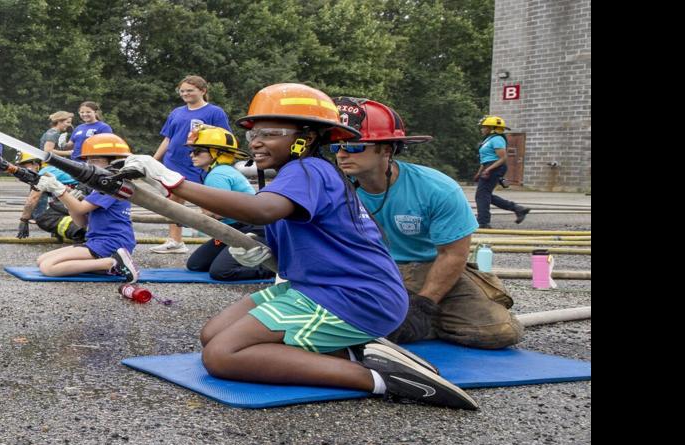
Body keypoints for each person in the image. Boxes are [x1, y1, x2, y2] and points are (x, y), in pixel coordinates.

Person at [115, 83, 476, 410]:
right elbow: (287, 230)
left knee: (223, 355)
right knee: (212, 334)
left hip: (352, 296)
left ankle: (381, 378)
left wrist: (170, 180)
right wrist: (258, 248)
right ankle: (355, 350)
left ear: (306, 137)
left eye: (271, 133)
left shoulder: (309, 170)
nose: (256, 141)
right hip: (316, 287)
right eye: (255, 133)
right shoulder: (297, 175)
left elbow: (263, 210)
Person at [333, 97, 522, 349]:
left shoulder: (436, 189)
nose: (342, 154)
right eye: (336, 147)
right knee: (336, 322)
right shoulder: (333, 190)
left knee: (499, 331)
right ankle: (416, 320)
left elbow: (452, 254)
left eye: (355, 146)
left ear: (386, 150)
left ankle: (417, 318)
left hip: (431, 269)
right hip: (374, 271)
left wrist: (423, 306)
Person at [28, 133, 138, 282]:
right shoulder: (99, 186)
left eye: (95, 160)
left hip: (112, 242)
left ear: (114, 162)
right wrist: (69, 197)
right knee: (41, 260)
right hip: (97, 241)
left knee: (48, 267)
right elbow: (82, 222)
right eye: (88, 161)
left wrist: (59, 190)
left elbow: (80, 209)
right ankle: (105, 266)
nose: (89, 165)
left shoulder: (113, 185)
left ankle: (113, 262)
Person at [148, 75, 231, 254]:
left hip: (198, 163)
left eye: (190, 90)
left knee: (208, 206)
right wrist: (154, 160)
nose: (185, 94)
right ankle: (175, 241)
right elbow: (168, 138)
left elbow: (224, 138)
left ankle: (223, 241)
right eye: (182, 91)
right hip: (173, 162)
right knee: (172, 203)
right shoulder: (176, 112)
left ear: (203, 90)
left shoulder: (215, 112)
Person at [183, 127, 274, 282]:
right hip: (233, 228)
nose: (192, 155)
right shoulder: (222, 171)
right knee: (196, 265)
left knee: (221, 272)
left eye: (198, 151)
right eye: (191, 151)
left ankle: (272, 270)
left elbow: (218, 213)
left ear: (216, 153)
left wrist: (186, 218)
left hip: (252, 230)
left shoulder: (217, 175)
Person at [473, 115, 530, 227]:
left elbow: (503, 158)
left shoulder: (497, 139)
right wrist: (479, 172)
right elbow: (485, 159)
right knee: (485, 195)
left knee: (482, 195)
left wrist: (489, 169)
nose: (482, 129)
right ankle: (518, 209)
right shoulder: (488, 140)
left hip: (495, 167)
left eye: (484, 127)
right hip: (489, 166)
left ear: (492, 128)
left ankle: (483, 222)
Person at [13, 151, 77, 238]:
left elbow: (33, 198)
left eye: (24, 166)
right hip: (80, 193)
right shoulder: (50, 169)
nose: (22, 170)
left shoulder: (44, 173)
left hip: (81, 194)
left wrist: (24, 220)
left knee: (44, 216)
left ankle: (69, 228)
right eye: (20, 167)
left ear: (35, 164)